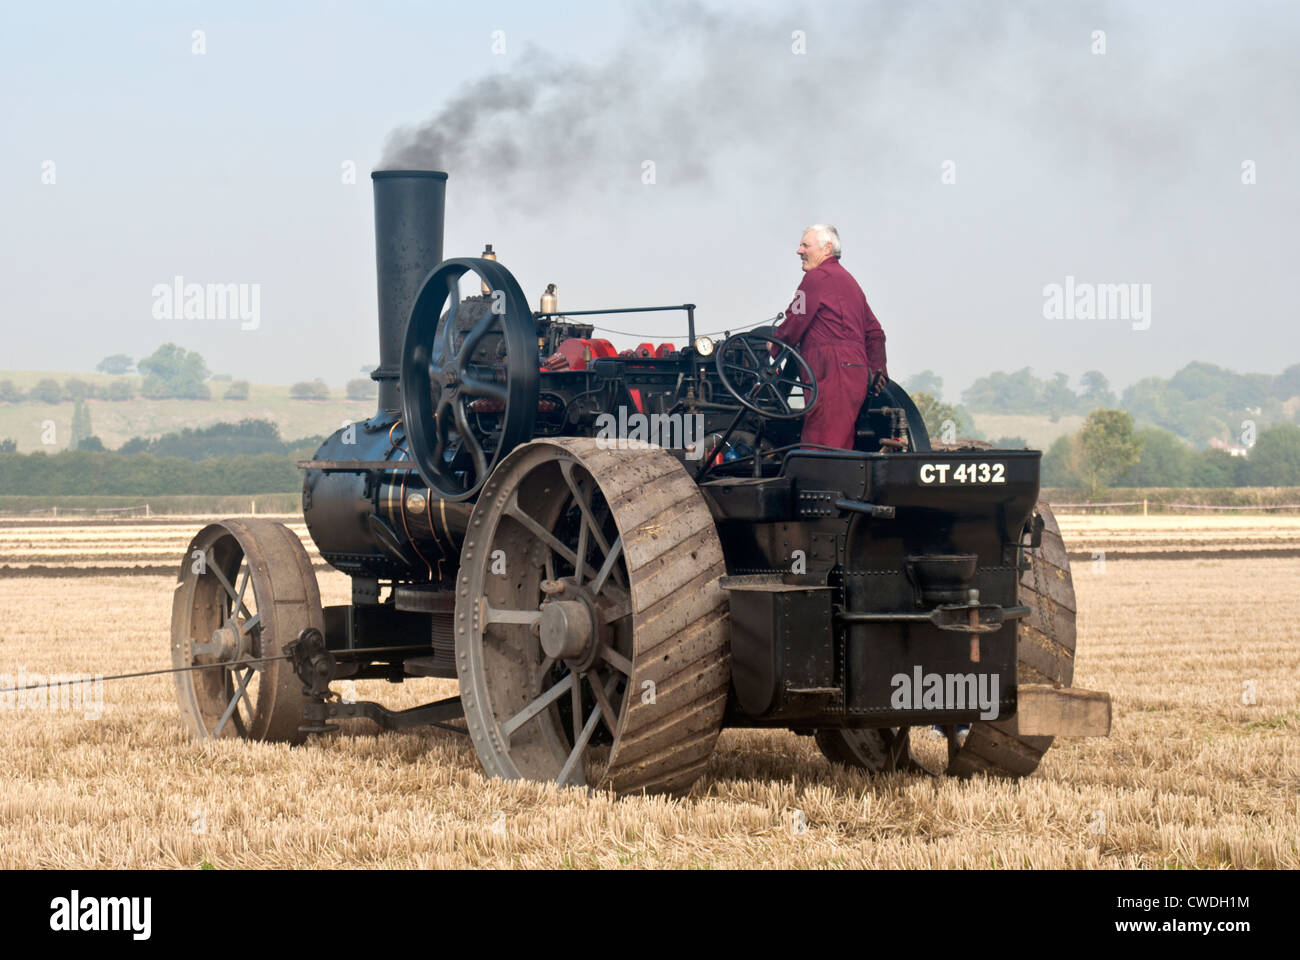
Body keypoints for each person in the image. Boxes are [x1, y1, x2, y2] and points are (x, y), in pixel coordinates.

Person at [769, 224, 888, 449]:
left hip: (830, 371)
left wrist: (774, 345)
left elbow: (797, 318)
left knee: (820, 444)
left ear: (827, 248)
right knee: (840, 441)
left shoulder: (816, 278)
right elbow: (875, 333)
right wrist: (878, 371)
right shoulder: (851, 283)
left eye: (805, 245)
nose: (799, 250)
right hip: (855, 373)